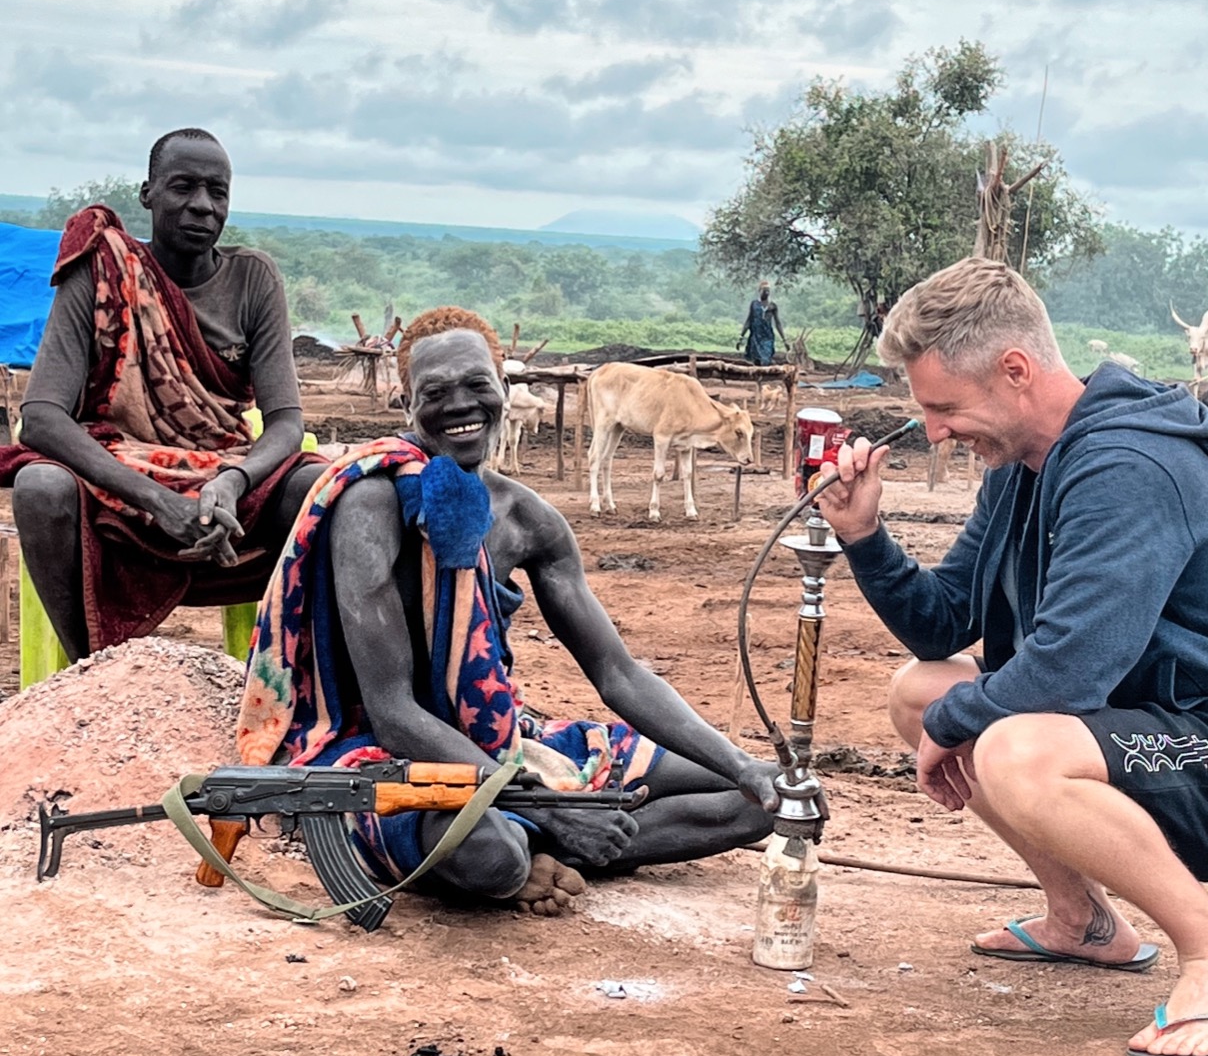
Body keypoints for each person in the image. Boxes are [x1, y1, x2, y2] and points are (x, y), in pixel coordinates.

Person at [817, 258, 1208, 1056]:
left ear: (1014, 370)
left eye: (944, 407)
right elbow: (945, 621)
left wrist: (961, 726)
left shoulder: (1126, 468)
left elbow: (1063, 676)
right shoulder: (1024, 468)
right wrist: (865, 540)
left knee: (1014, 745)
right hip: (1164, 735)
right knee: (922, 692)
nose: (937, 431)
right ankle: (1082, 923)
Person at [236, 305, 777, 913]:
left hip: (499, 743)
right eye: (435, 392)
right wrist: (546, 804)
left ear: (505, 388)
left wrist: (745, 764)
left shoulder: (529, 520)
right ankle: (533, 842)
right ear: (406, 401)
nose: (460, 405)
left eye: (476, 385)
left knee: (756, 803)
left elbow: (617, 674)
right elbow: (392, 713)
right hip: (379, 753)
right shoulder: (370, 503)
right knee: (490, 856)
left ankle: (554, 845)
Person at [0, 129, 323, 660]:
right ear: (148, 193)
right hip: (116, 489)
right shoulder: (101, 270)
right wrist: (156, 500)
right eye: (183, 188)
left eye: (216, 192)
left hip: (225, 490)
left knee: (318, 486)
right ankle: (94, 672)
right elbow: (40, 417)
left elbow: (286, 423)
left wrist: (233, 481)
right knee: (39, 485)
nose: (202, 206)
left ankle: (292, 680)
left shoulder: (253, 279)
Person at [738, 280, 786, 366]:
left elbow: (778, 323)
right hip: (755, 336)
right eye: (764, 290)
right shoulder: (754, 304)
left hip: (767, 336)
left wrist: (784, 340)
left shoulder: (772, 306)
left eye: (768, 290)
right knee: (756, 359)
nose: (766, 292)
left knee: (766, 358)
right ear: (759, 291)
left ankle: (766, 375)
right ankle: (757, 377)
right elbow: (748, 321)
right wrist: (741, 337)